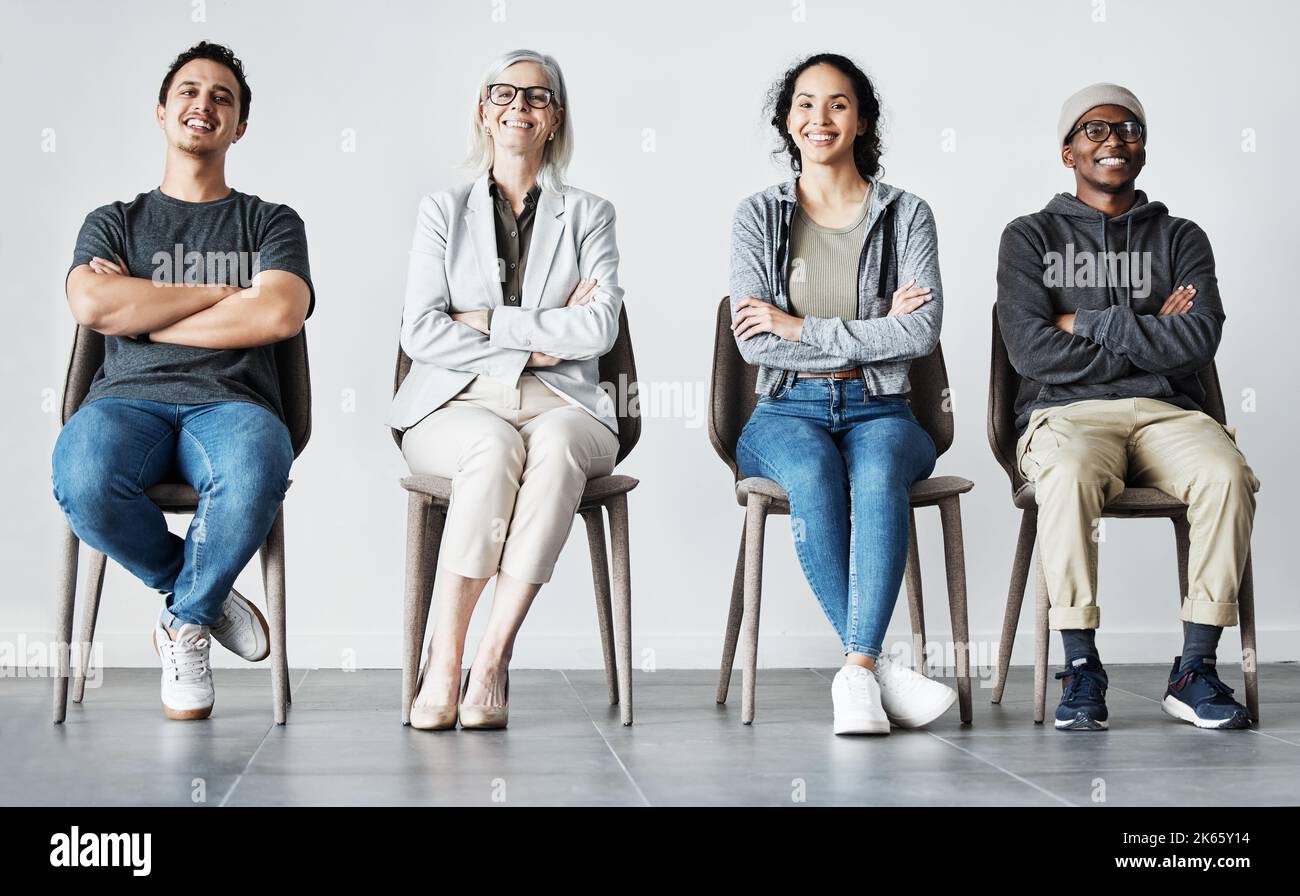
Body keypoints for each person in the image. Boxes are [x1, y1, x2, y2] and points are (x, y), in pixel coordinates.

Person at [53, 42, 315, 720]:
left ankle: (186, 625)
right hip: (125, 403)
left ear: (239, 128)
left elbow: (280, 310)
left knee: (258, 466)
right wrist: (223, 292)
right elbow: (93, 307)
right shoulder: (114, 220)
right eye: (191, 92)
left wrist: (144, 310)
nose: (205, 104)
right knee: (82, 475)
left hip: (233, 404)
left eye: (222, 98)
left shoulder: (270, 222)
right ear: (163, 112)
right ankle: (199, 596)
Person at [997, 83, 1259, 731]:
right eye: (1095, 130)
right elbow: (1031, 353)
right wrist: (1148, 329)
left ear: (1143, 148)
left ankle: (1195, 667)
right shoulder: (1029, 237)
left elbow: (1198, 340)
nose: (1113, 139)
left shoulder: (1181, 238)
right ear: (1068, 152)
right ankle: (1082, 668)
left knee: (1228, 475)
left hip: (1170, 414)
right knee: (1067, 475)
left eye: (1128, 129)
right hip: (1067, 416)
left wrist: (1083, 321)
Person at [388, 49, 623, 730]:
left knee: (554, 447)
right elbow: (420, 332)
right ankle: (445, 657)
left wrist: (487, 319)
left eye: (537, 96)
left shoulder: (590, 214)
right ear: (483, 112)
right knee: (491, 449)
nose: (518, 105)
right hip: (455, 403)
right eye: (503, 93)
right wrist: (537, 340)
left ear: (555, 120)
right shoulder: (442, 210)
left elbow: (600, 326)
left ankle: (491, 658)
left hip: (568, 403)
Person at [730, 53, 957, 735]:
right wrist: (871, 328)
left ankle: (856, 672)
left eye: (837, 103)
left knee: (881, 469)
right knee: (811, 471)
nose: (819, 117)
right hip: (784, 408)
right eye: (805, 103)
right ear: (787, 120)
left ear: (861, 120)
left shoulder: (907, 214)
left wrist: (801, 325)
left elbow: (919, 332)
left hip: (883, 407)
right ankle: (872, 671)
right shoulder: (756, 216)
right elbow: (754, 343)